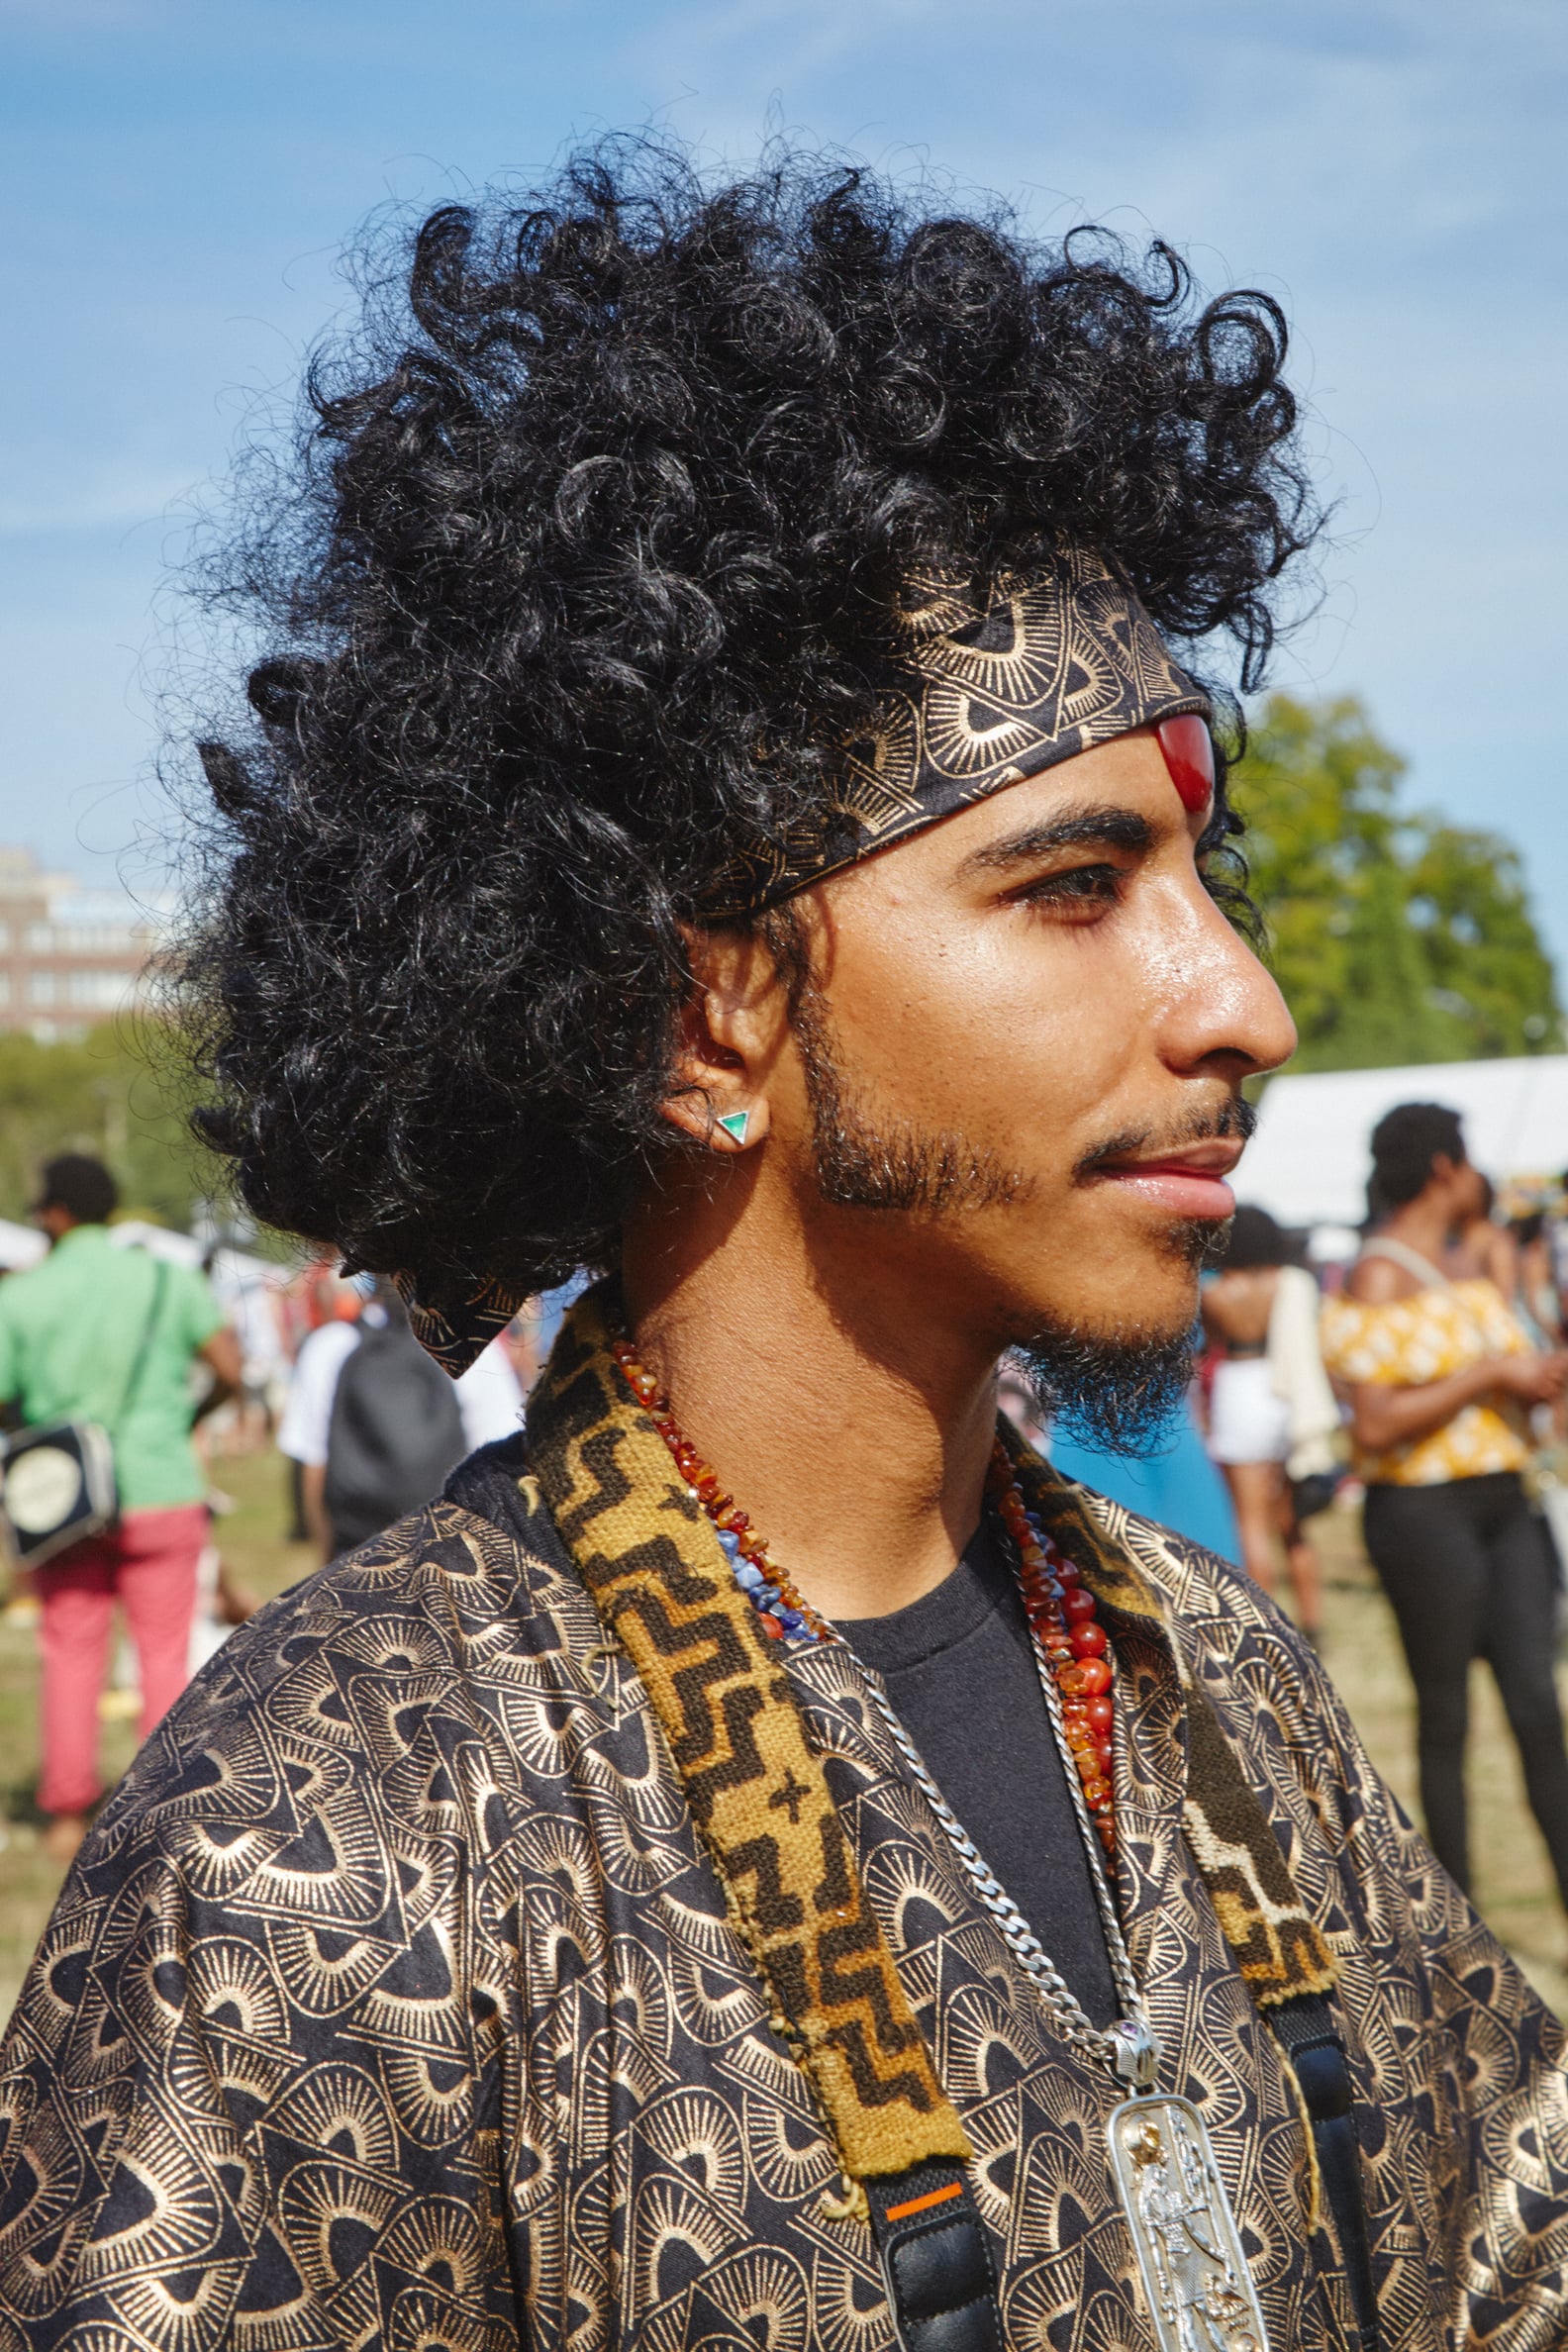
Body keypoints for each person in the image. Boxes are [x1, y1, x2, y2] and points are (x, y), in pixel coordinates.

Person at [3, 144, 1565, 2352]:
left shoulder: (1223, 1693)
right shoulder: (332, 1846)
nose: (1243, 1003)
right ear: (702, 1010)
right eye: (1070, 885)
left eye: (1206, 884)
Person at [1321, 1103, 1568, 1914]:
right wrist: (1491, 1373)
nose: (1478, 1180)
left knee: (1538, 1706)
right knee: (1447, 1718)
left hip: (1508, 1504)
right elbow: (1377, 1421)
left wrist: (1533, 1387)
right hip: (1425, 1518)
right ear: (1442, 1170)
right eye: (1468, 1164)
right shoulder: (1378, 1273)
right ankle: (1466, 1931)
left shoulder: (1471, 1262)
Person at [0, 1154, 241, 1859]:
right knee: (163, 1650)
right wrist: (191, 1414)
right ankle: (159, 1808)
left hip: (65, 1500)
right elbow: (230, 1369)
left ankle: (68, 1815)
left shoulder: (23, 1294)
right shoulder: (166, 1279)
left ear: (53, 1214)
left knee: (70, 1651)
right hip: (161, 1484)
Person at [277, 1275, 521, 1557]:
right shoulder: (471, 1348)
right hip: (450, 1551)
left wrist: (327, 1558)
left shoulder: (329, 1345)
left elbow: (314, 1468)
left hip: (356, 1551)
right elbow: (500, 1463)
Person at [1201, 1204, 1336, 1642]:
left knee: (1250, 1520)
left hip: (1239, 1386)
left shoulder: (1216, 1292)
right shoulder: (1287, 1284)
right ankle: (1312, 1621)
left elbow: (1207, 1346)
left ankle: (1268, 1625)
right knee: (1291, 1518)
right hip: (1284, 1390)